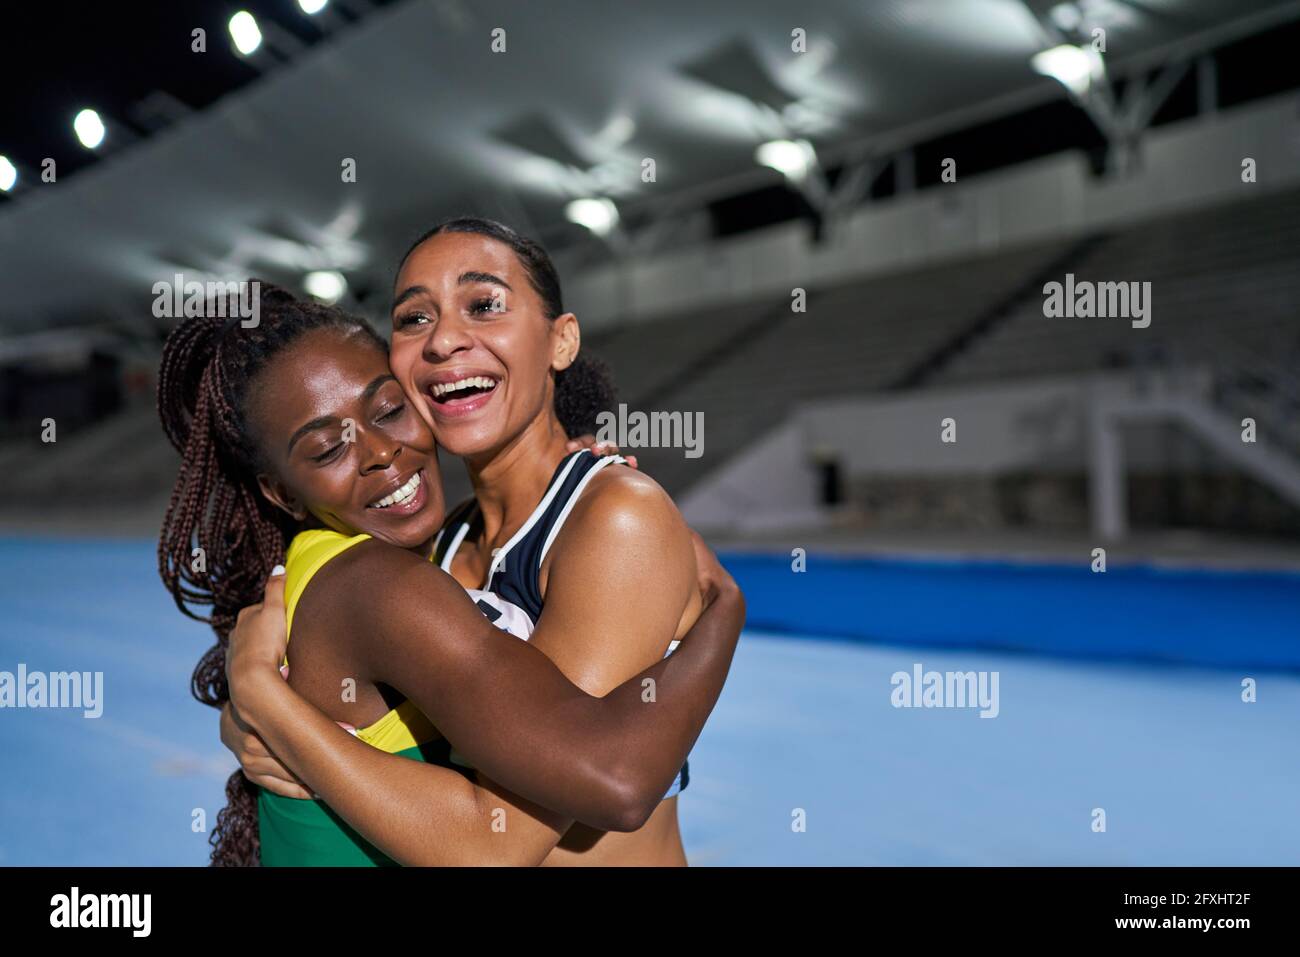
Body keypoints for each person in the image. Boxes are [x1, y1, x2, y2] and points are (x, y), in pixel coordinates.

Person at [158, 285, 743, 865]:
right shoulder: (382, 584)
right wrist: (724, 613)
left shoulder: (430, 550)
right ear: (282, 493)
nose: (380, 453)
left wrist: (258, 714)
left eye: (389, 411)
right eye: (327, 450)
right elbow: (604, 788)